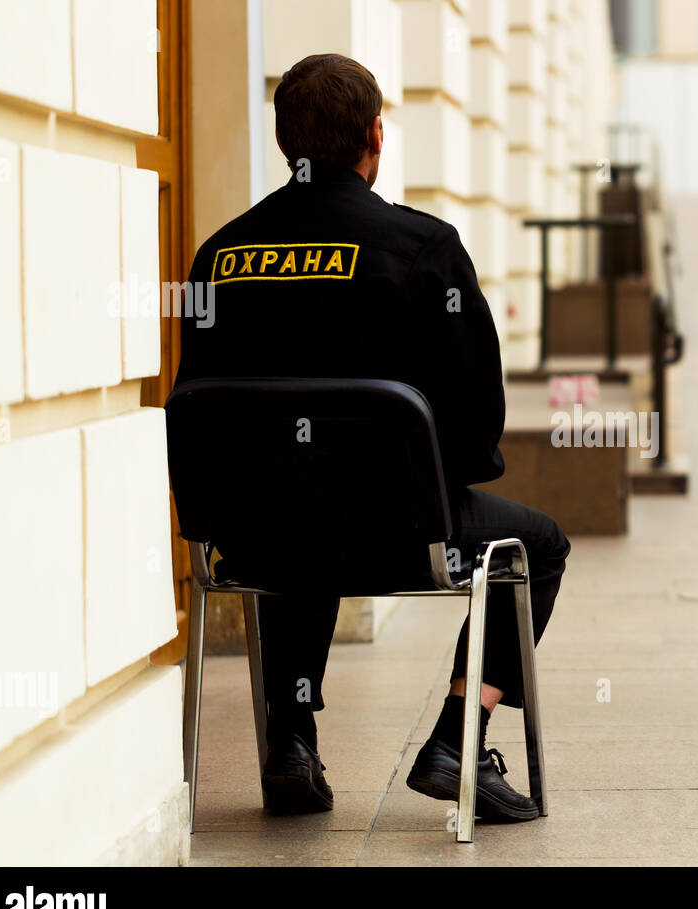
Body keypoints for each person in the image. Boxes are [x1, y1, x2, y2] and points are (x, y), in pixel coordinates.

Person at [175, 53, 570, 821]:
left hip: (253, 540)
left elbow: (206, 413)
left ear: (285, 139)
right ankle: (457, 738)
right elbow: (475, 421)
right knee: (540, 545)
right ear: (375, 136)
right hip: (398, 533)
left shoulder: (219, 257)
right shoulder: (422, 250)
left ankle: (289, 738)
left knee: (293, 501)